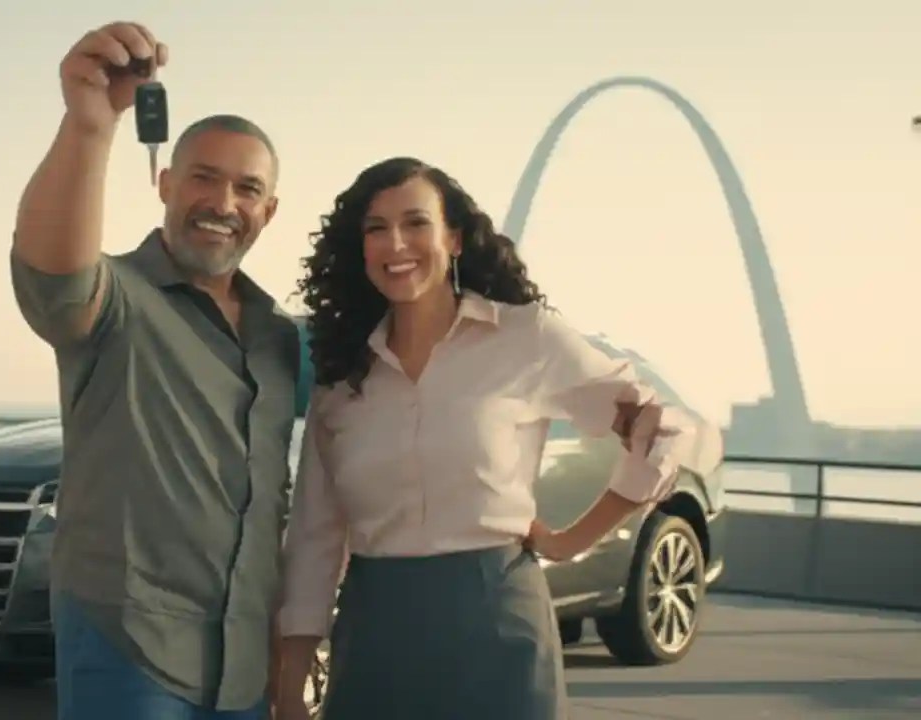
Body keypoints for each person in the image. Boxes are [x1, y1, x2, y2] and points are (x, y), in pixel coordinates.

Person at [270, 157, 711, 720]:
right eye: (376, 229)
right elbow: (313, 537)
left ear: (453, 238)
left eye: (415, 223)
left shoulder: (524, 341)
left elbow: (664, 428)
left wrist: (571, 541)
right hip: (374, 635)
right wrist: (291, 679)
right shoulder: (343, 384)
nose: (396, 243)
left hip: (497, 624)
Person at [9, 21, 301, 720]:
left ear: (269, 209)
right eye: (203, 177)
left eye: (246, 188)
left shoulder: (282, 339)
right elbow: (54, 275)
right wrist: (90, 126)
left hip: (245, 666)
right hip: (129, 651)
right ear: (166, 181)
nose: (224, 204)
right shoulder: (115, 300)